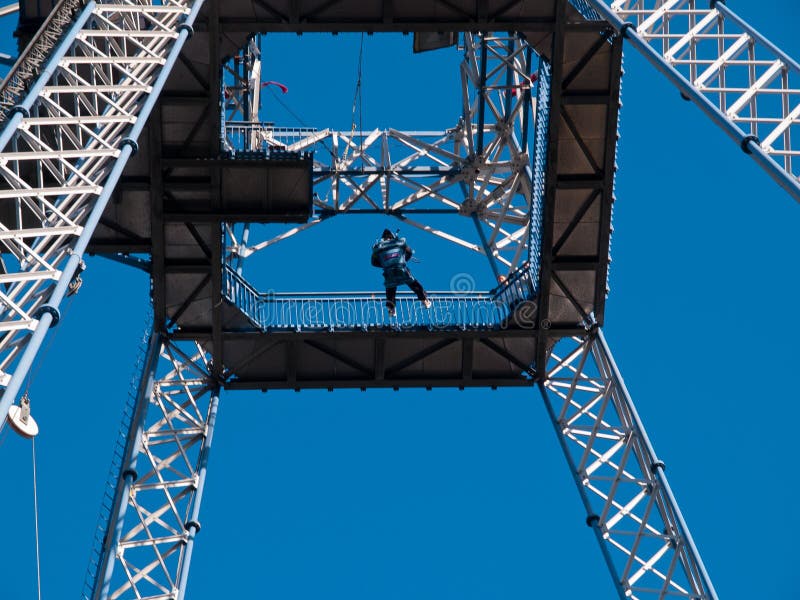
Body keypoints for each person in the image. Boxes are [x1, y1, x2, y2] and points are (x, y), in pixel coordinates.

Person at [371, 229, 431, 317]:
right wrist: (404, 259)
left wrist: (385, 265)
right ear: (392, 236)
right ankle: (424, 300)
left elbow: (373, 262)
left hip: (389, 272)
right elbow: (409, 252)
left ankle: (391, 309)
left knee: (390, 289)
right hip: (401, 269)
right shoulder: (399, 242)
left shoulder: (378, 247)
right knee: (414, 284)